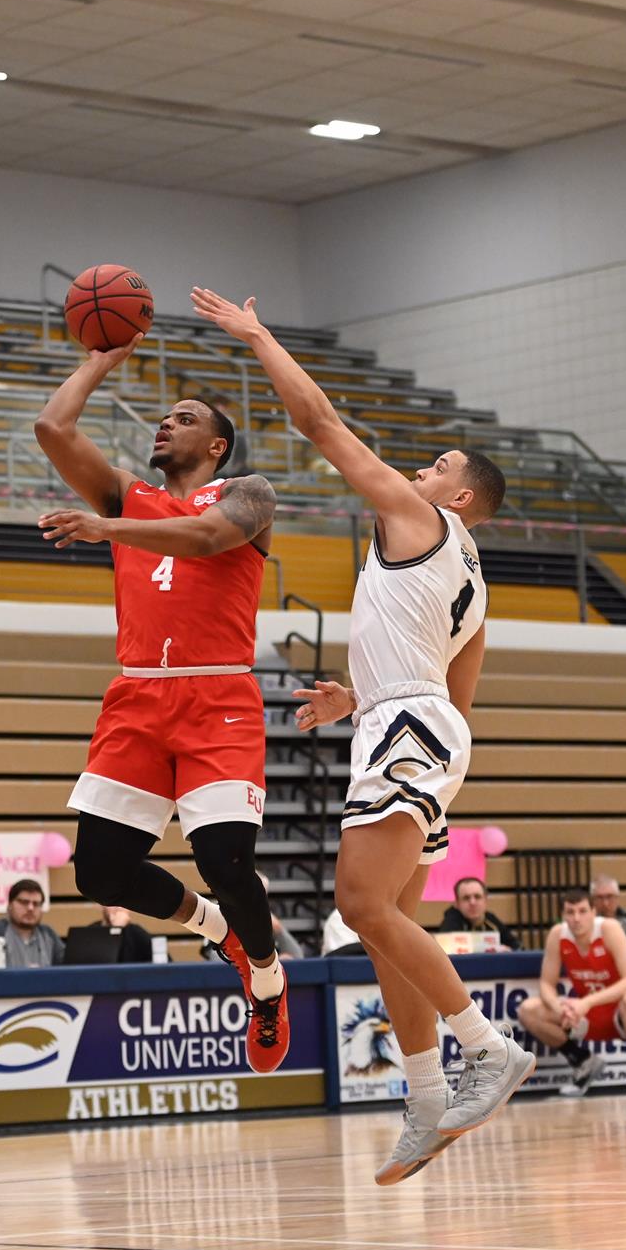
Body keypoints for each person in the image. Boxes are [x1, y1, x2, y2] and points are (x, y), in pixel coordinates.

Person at [196, 285, 525, 1184]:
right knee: (387, 926)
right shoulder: (472, 578)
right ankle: (423, 1093)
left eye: (436, 463)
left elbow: (319, 421)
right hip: (421, 721)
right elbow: (458, 687)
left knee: (357, 907)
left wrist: (259, 335)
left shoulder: (422, 516)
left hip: (409, 728)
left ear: (459, 494)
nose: (418, 468)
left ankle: (484, 1047)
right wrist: (363, 694)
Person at [32, 316, 289, 1074]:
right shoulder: (129, 492)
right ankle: (221, 932)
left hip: (218, 695)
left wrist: (107, 525)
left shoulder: (248, 492)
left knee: (225, 859)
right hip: (138, 694)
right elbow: (52, 426)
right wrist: (100, 359)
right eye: (161, 415)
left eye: (183, 419)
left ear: (215, 444)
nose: (163, 424)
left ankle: (269, 984)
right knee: (99, 874)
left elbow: (208, 540)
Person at [516, 888, 626, 1097]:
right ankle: (583, 1061)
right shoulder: (558, 934)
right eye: (570, 912)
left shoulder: (609, 928)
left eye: (582, 911)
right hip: (587, 1014)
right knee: (528, 1010)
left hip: (622, 1012)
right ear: (563, 915)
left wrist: (587, 1002)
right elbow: (546, 983)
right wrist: (559, 1008)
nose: (576, 918)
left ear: (593, 912)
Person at [0, 880, 65, 968]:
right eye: (24, 902)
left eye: (36, 904)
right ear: (10, 905)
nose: (30, 908)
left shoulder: (48, 935)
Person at [436, 876, 522, 950]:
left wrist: (508, 950)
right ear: (456, 904)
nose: (472, 902)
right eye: (466, 898)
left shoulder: (491, 919)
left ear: (485, 900)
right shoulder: (450, 921)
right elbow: (444, 952)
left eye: (477, 897)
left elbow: (517, 947)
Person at [590, 874, 626, 947]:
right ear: (592, 899)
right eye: (599, 898)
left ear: (617, 898)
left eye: (610, 897)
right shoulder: (586, 924)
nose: (605, 903)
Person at [86, 905, 156, 963]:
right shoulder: (89, 933)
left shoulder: (137, 933)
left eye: (124, 904)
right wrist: (117, 929)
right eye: (114, 904)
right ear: (101, 905)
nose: (119, 908)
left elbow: (161, 963)